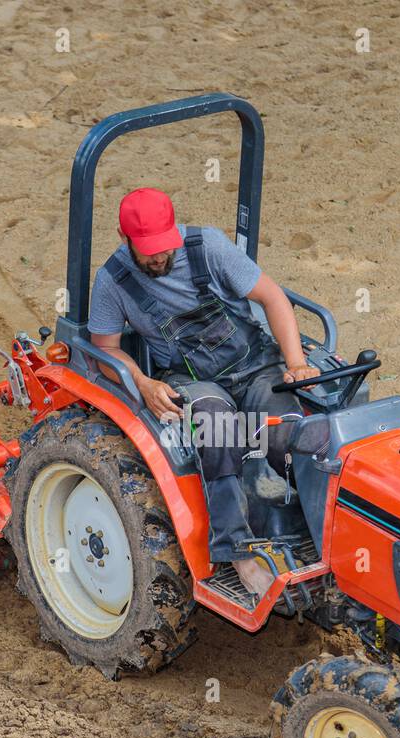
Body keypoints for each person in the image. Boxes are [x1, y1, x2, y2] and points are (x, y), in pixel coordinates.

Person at [88, 187, 317, 599]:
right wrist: (143, 381)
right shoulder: (112, 281)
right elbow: (104, 348)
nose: (158, 258)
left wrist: (296, 362)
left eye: (164, 247)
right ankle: (239, 553)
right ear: (123, 239)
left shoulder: (208, 246)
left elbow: (271, 297)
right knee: (217, 428)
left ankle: (312, 527)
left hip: (256, 365)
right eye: (148, 252)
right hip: (193, 378)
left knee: (294, 430)